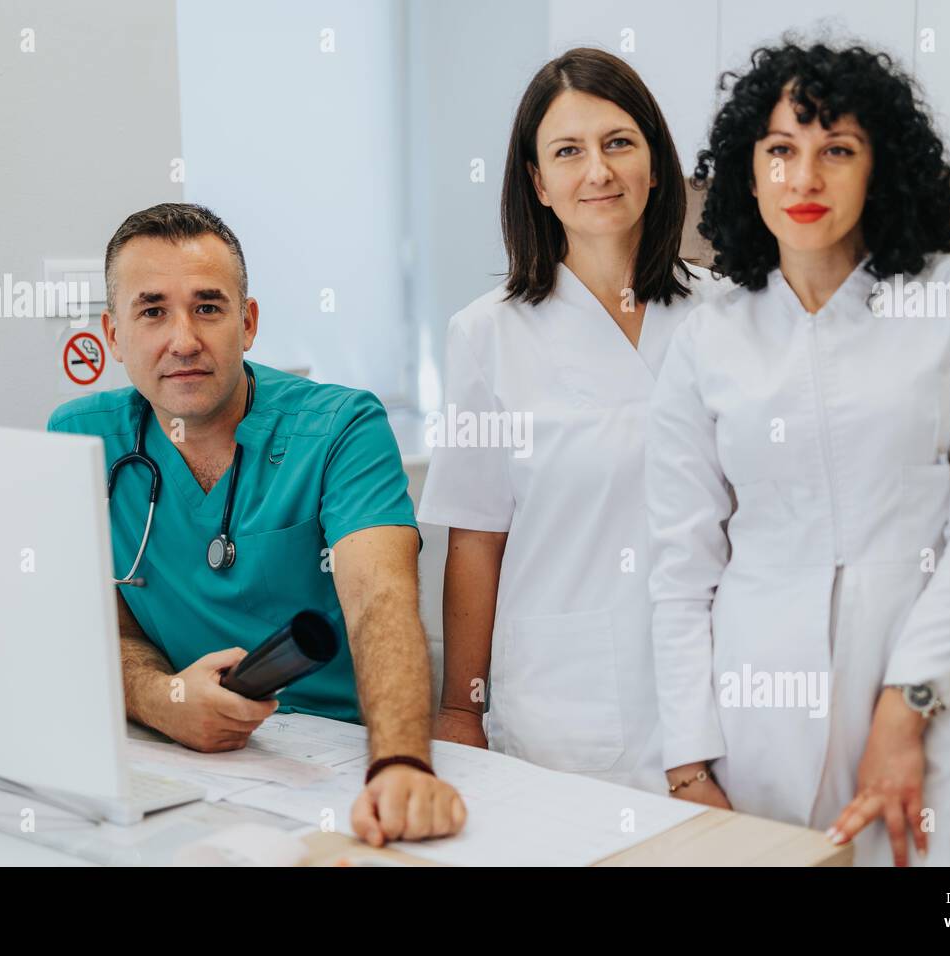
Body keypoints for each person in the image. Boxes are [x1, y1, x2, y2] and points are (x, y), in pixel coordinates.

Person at [647, 42, 950, 865]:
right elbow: (680, 566)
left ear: (879, 168)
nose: (804, 179)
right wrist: (684, 759)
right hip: (755, 705)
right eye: (781, 151)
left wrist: (901, 712)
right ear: (748, 172)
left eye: (836, 150)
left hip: (931, 682)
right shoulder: (710, 335)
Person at [49, 203, 465, 847]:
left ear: (247, 324)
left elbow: (379, 601)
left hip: (330, 760)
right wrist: (161, 699)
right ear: (113, 333)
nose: (182, 338)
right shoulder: (78, 438)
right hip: (172, 764)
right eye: (152, 310)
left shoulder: (341, 429)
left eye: (208, 307)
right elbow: (105, 627)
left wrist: (401, 764)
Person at [420, 48, 727, 796]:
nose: (598, 171)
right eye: (568, 151)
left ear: (656, 165)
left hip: (724, 689)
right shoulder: (485, 335)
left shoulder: (731, 314)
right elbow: (475, 538)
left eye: (619, 142)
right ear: (538, 182)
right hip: (566, 700)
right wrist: (461, 708)